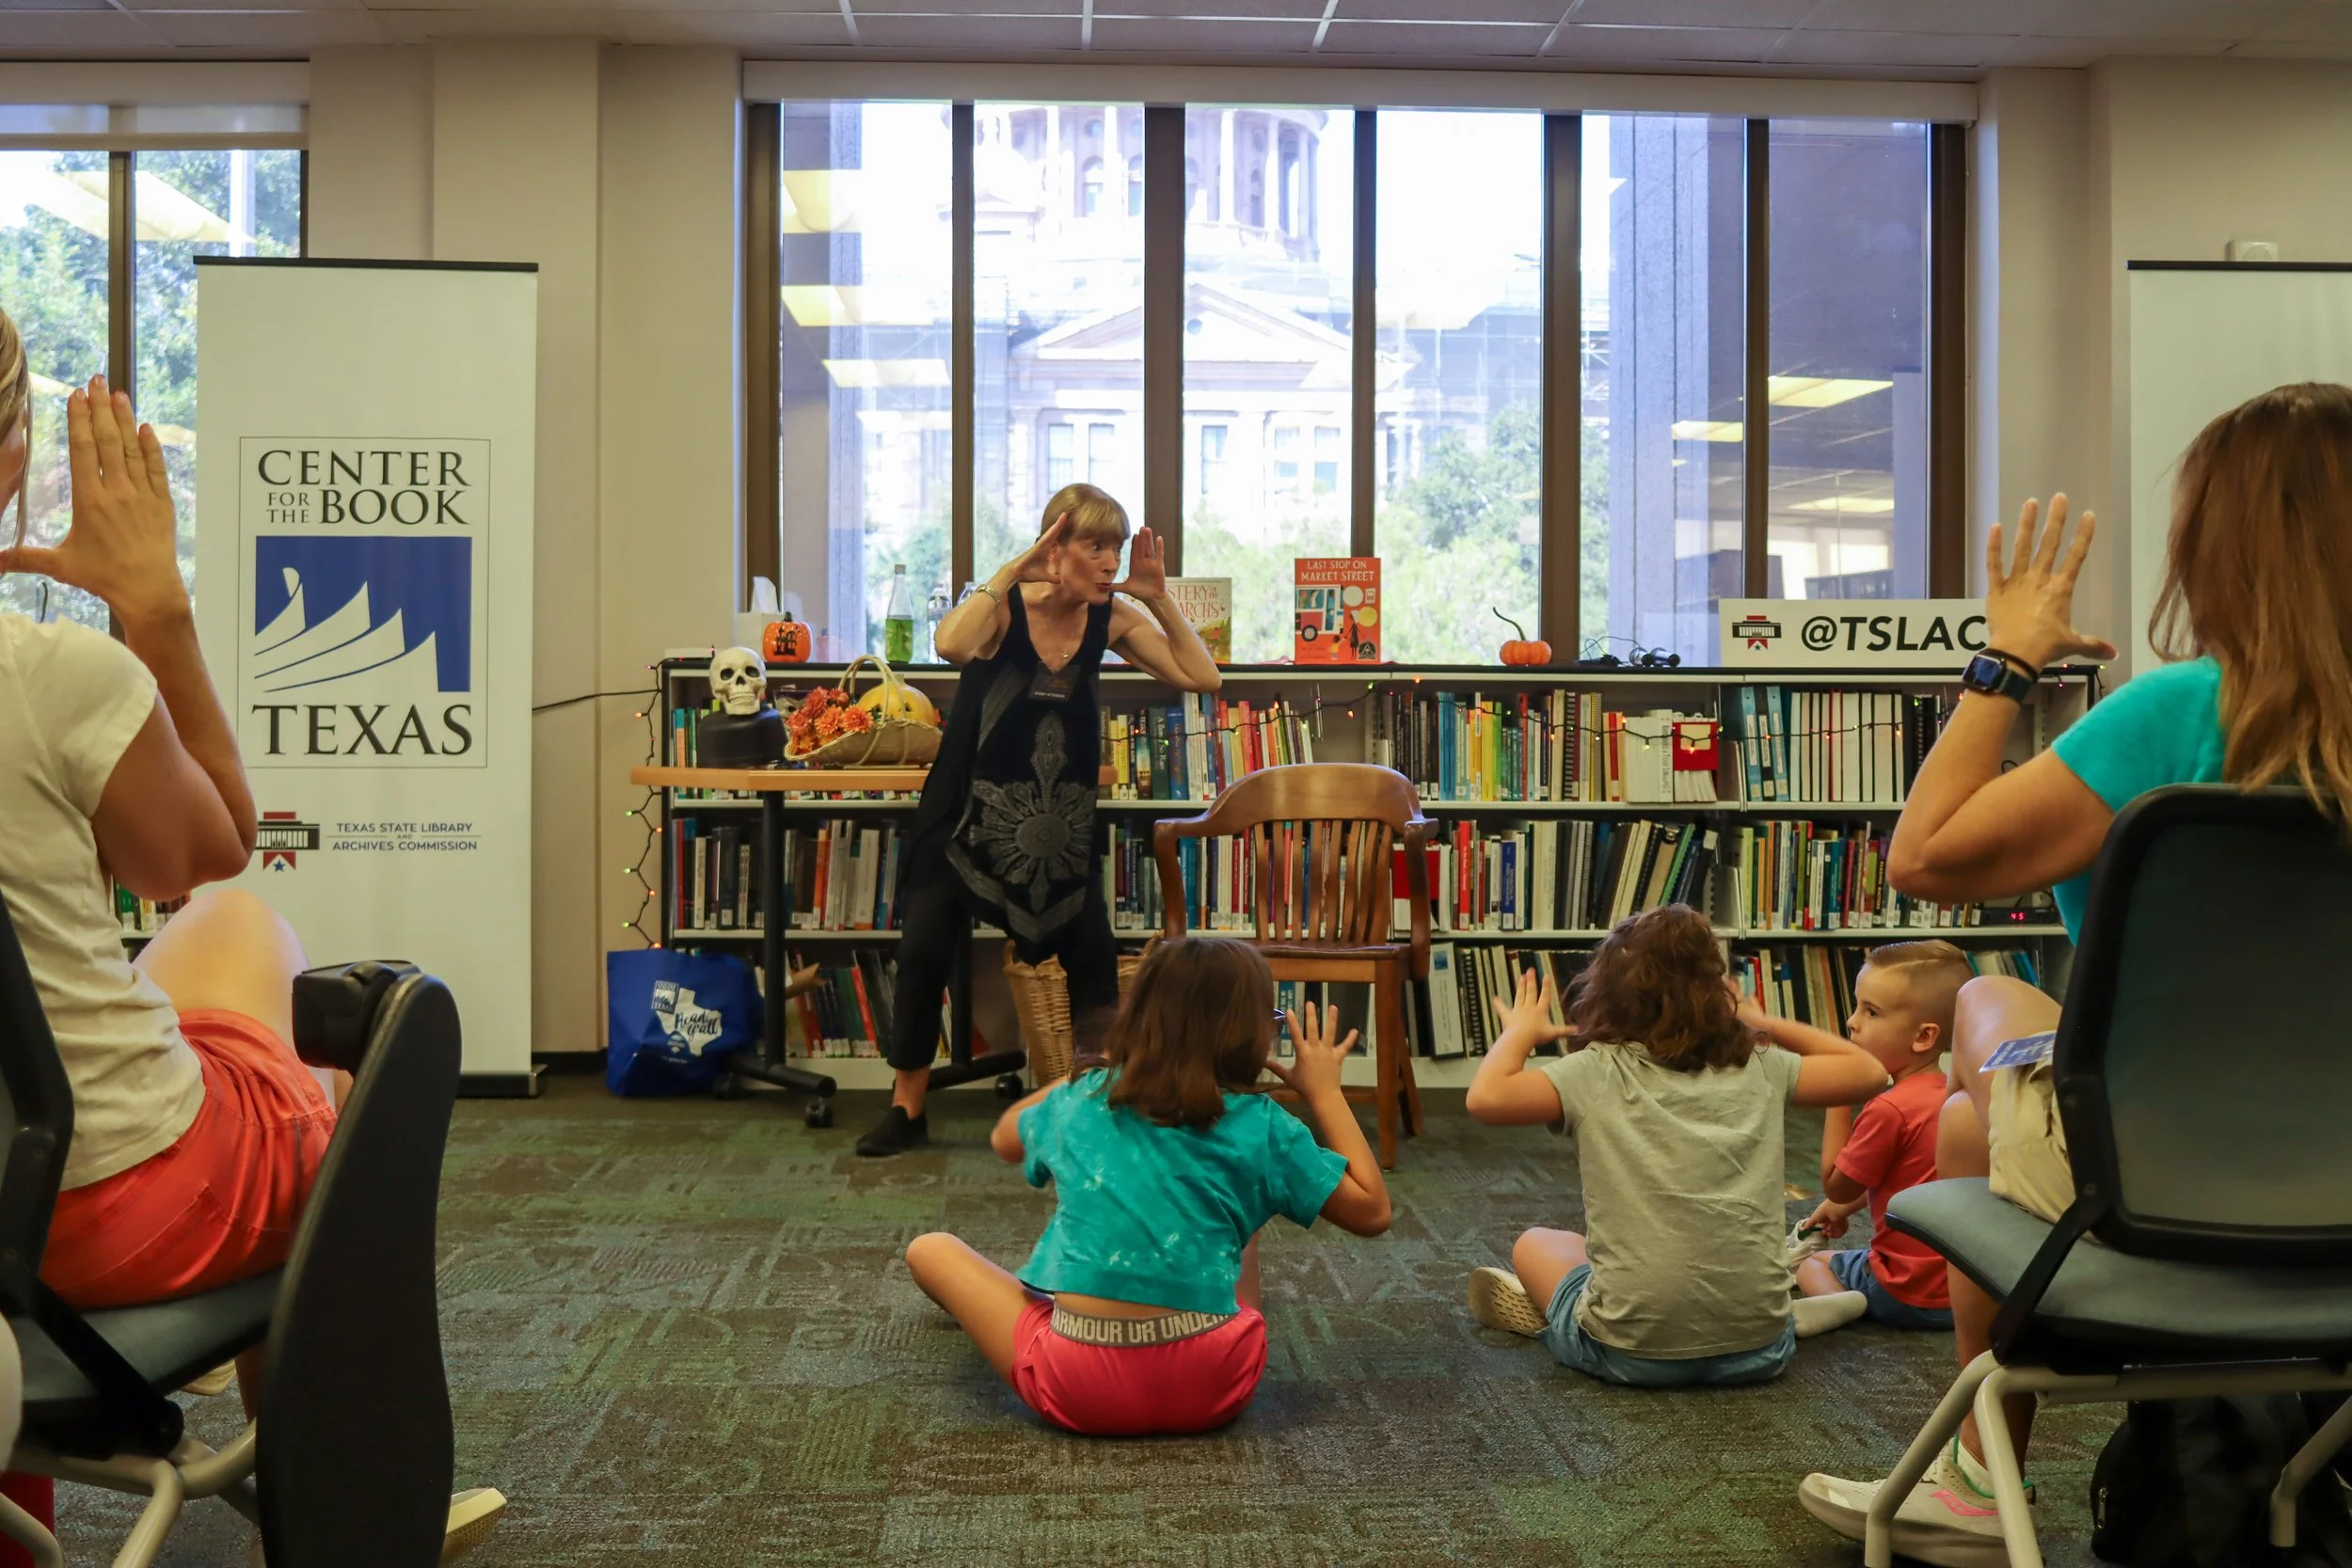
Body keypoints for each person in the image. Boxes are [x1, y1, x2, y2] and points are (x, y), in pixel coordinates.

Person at [1800, 383, 2352, 1566]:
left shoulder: (2174, 716)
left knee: (1976, 1040)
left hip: (2152, 1181)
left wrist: (2005, 658)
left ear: (2214, 551)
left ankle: (1972, 1477)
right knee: (1977, 1092)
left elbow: (1922, 859)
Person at [0, 311, 502, 1562]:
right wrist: (156, 610)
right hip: (89, 1203)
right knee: (319, 1085)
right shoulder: (50, 677)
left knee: (234, 933)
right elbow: (210, 843)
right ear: (12, 455)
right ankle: (346, 1504)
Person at [857, 483, 1222, 1157]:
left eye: (1116, 548)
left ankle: (1094, 1108)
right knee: (925, 951)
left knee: (1092, 956)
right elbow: (949, 643)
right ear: (1056, 547)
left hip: (1056, 828)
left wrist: (1157, 597)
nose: (1110, 562)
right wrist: (1010, 572)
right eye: (1095, 546)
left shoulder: (1111, 618)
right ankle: (906, 1107)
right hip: (962, 820)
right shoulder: (1004, 610)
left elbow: (1203, 678)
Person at [901, 937, 1391, 1436]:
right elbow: (1373, 1213)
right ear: (1251, 1034)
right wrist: (1325, 1093)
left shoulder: (1084, 1098)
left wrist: (1096, 1069)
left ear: (1136, 1019)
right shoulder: (1264, 1125)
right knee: (1236, 1207)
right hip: (1215, 1383)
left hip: (1078, 1386)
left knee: (930, 1249)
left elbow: (1006, 1139)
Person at [1459, 906, 1891, 1387]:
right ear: (1717, 992)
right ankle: (1782, 1313)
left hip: (1629, 1353)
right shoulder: (1763, 1066)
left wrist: (1519, 1033)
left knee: (1538, 1243)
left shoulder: (1594, 1072)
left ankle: (1559, 1315)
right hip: (1762, 1350)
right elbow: (1870, 1071)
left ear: (1605, 993)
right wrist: (1761, 1021)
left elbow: (1485, 1098)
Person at [1785, 939, 1973, 1335]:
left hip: (1907, 1294)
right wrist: (1841, 1209)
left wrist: (1839, 1094)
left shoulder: (1889, 1109)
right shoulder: (1955, 1096)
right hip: (1967, 1294)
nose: (1851, 1021)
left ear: (1923, 1036)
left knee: (1810, 1264)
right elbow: (1911, 1180)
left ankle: (1840, 1304)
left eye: (1871, 1012)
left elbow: (1835, 1184)